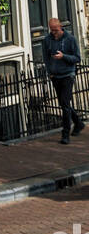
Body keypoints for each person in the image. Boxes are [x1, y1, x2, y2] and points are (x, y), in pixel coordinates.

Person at [41, 16, 84, 144]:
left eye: (55, 30)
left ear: (60, 27)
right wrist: (50, 73)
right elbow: (46, 58)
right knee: (64, 104)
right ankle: (78, 123)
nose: (53, 33)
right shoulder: (47, 40)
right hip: (55, 76)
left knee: (65, 105)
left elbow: (77, 58)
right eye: (51, 30)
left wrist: (63, 56)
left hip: (67, 75)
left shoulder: (70, 39)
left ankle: (65, 134)